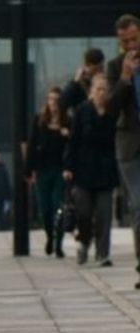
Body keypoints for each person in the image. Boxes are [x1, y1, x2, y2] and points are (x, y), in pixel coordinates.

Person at [64, 74, 118, 267]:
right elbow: (74, 140)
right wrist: (69, 167)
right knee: (84, 213)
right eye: (98, 89)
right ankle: (84, 243)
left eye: (105, 89)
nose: (101, 93)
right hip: (84, 170)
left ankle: (103, 253)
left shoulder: (113, 112)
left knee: (104, 214)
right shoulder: (82, 111)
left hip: (106, 171)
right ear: (91, 91)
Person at [107, 13, 140, 287]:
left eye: (135, 39)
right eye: (125, 42)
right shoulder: (115, 66)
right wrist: (125, 78)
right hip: (130, 147)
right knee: (139, 205)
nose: (131, 46)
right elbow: (110, 109)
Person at [27, 86, 71, 256]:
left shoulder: (68, 122)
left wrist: (68, 134)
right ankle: (49, 237)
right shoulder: (39, 121)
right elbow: (31, 145)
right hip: (42, 170)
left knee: (58, 206)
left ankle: (58, 244)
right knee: (44, 209)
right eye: (50, 99)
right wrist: (29, 170)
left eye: (56, 99)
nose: (53, 103)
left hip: (60, 169)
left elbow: (74, 145)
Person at [60, 48, 106, 113]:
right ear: (87, 66)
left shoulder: (105, 82)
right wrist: (75, 81)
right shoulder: (77, 85)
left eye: (101, 68)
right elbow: (63, 102)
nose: (99, 72)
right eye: (96, 69)